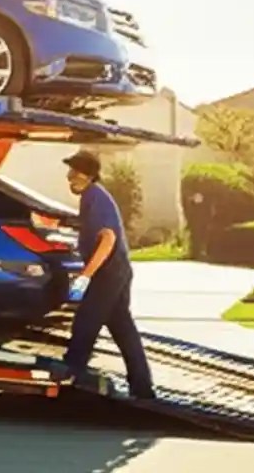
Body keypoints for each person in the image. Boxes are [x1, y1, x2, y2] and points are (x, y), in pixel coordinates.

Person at [57, 150, 156, 399]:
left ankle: (72, 371)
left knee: (86, 321)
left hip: (108, 271)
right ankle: (142, 386)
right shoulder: (92, 198)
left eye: (74, 172)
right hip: (118, 269)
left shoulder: (95, 197)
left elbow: (107, 238)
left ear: (89, 175)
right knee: (122, 327)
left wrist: (86, 275)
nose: (70, 177)